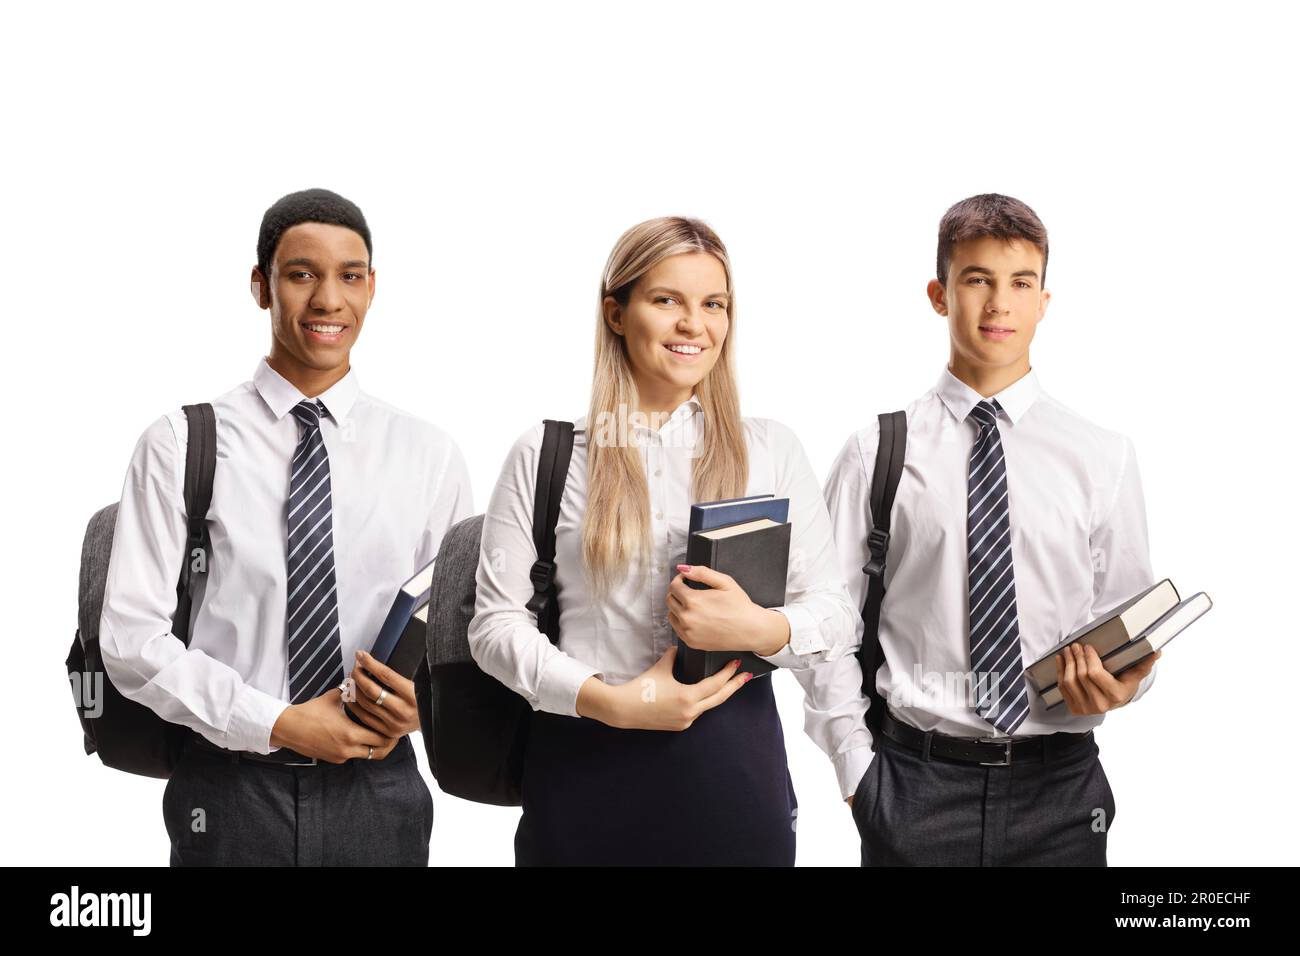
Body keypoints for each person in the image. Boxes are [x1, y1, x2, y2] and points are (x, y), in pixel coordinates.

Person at [99, 187, 474, 865]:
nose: (329, 300)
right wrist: (276, 722)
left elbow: (453, 635)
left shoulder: (428, 454)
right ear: (261, 286)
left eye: (349, 277)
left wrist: (421, 705)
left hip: (379, 790)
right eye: (302, 274)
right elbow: (130, 637)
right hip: (231, 788)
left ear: (372, 288)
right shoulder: (182, 443)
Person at [468, 216, 857, 865]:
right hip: (584, 768)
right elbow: (494, 628)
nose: (693, 325)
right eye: (666, 300)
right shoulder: (549, 455)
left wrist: (758, 627)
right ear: (616, 314)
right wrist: (611, 703)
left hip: (731, 774)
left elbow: (834, 616)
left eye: (713, 304)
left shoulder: (770, 450)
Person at [819, 193, 1161, 866]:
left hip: (1062, 790)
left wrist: (1130, 683)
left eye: (1019, 283)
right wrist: (858, 774)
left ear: (1044, 301)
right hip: (914, 786)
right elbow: (825, 627)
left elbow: (1131, 622)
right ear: (939, 294)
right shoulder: (878, 452)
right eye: (977, 280)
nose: (999, 303)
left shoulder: (1101, 454)